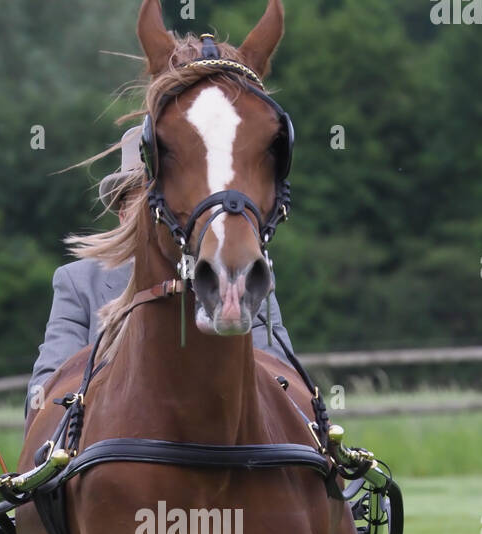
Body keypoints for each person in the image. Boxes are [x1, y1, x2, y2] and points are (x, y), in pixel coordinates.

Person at [26, 127, 294, 415]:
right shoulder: (79, 282)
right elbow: (45, 395)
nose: (161, 214)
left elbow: (280, 381)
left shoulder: (236, 275)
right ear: (123, 213)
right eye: (149, 202)